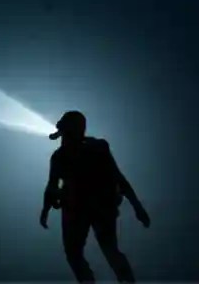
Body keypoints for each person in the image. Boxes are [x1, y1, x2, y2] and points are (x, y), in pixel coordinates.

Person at [40, 111, 150, 283]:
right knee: (79, 253)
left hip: (96, 208)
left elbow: (117, 177)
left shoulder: (96, 148)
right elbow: (52, 185)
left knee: (106, 251)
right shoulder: (61, 156)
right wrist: (45, 209)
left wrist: (137, 206)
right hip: (79, 209)